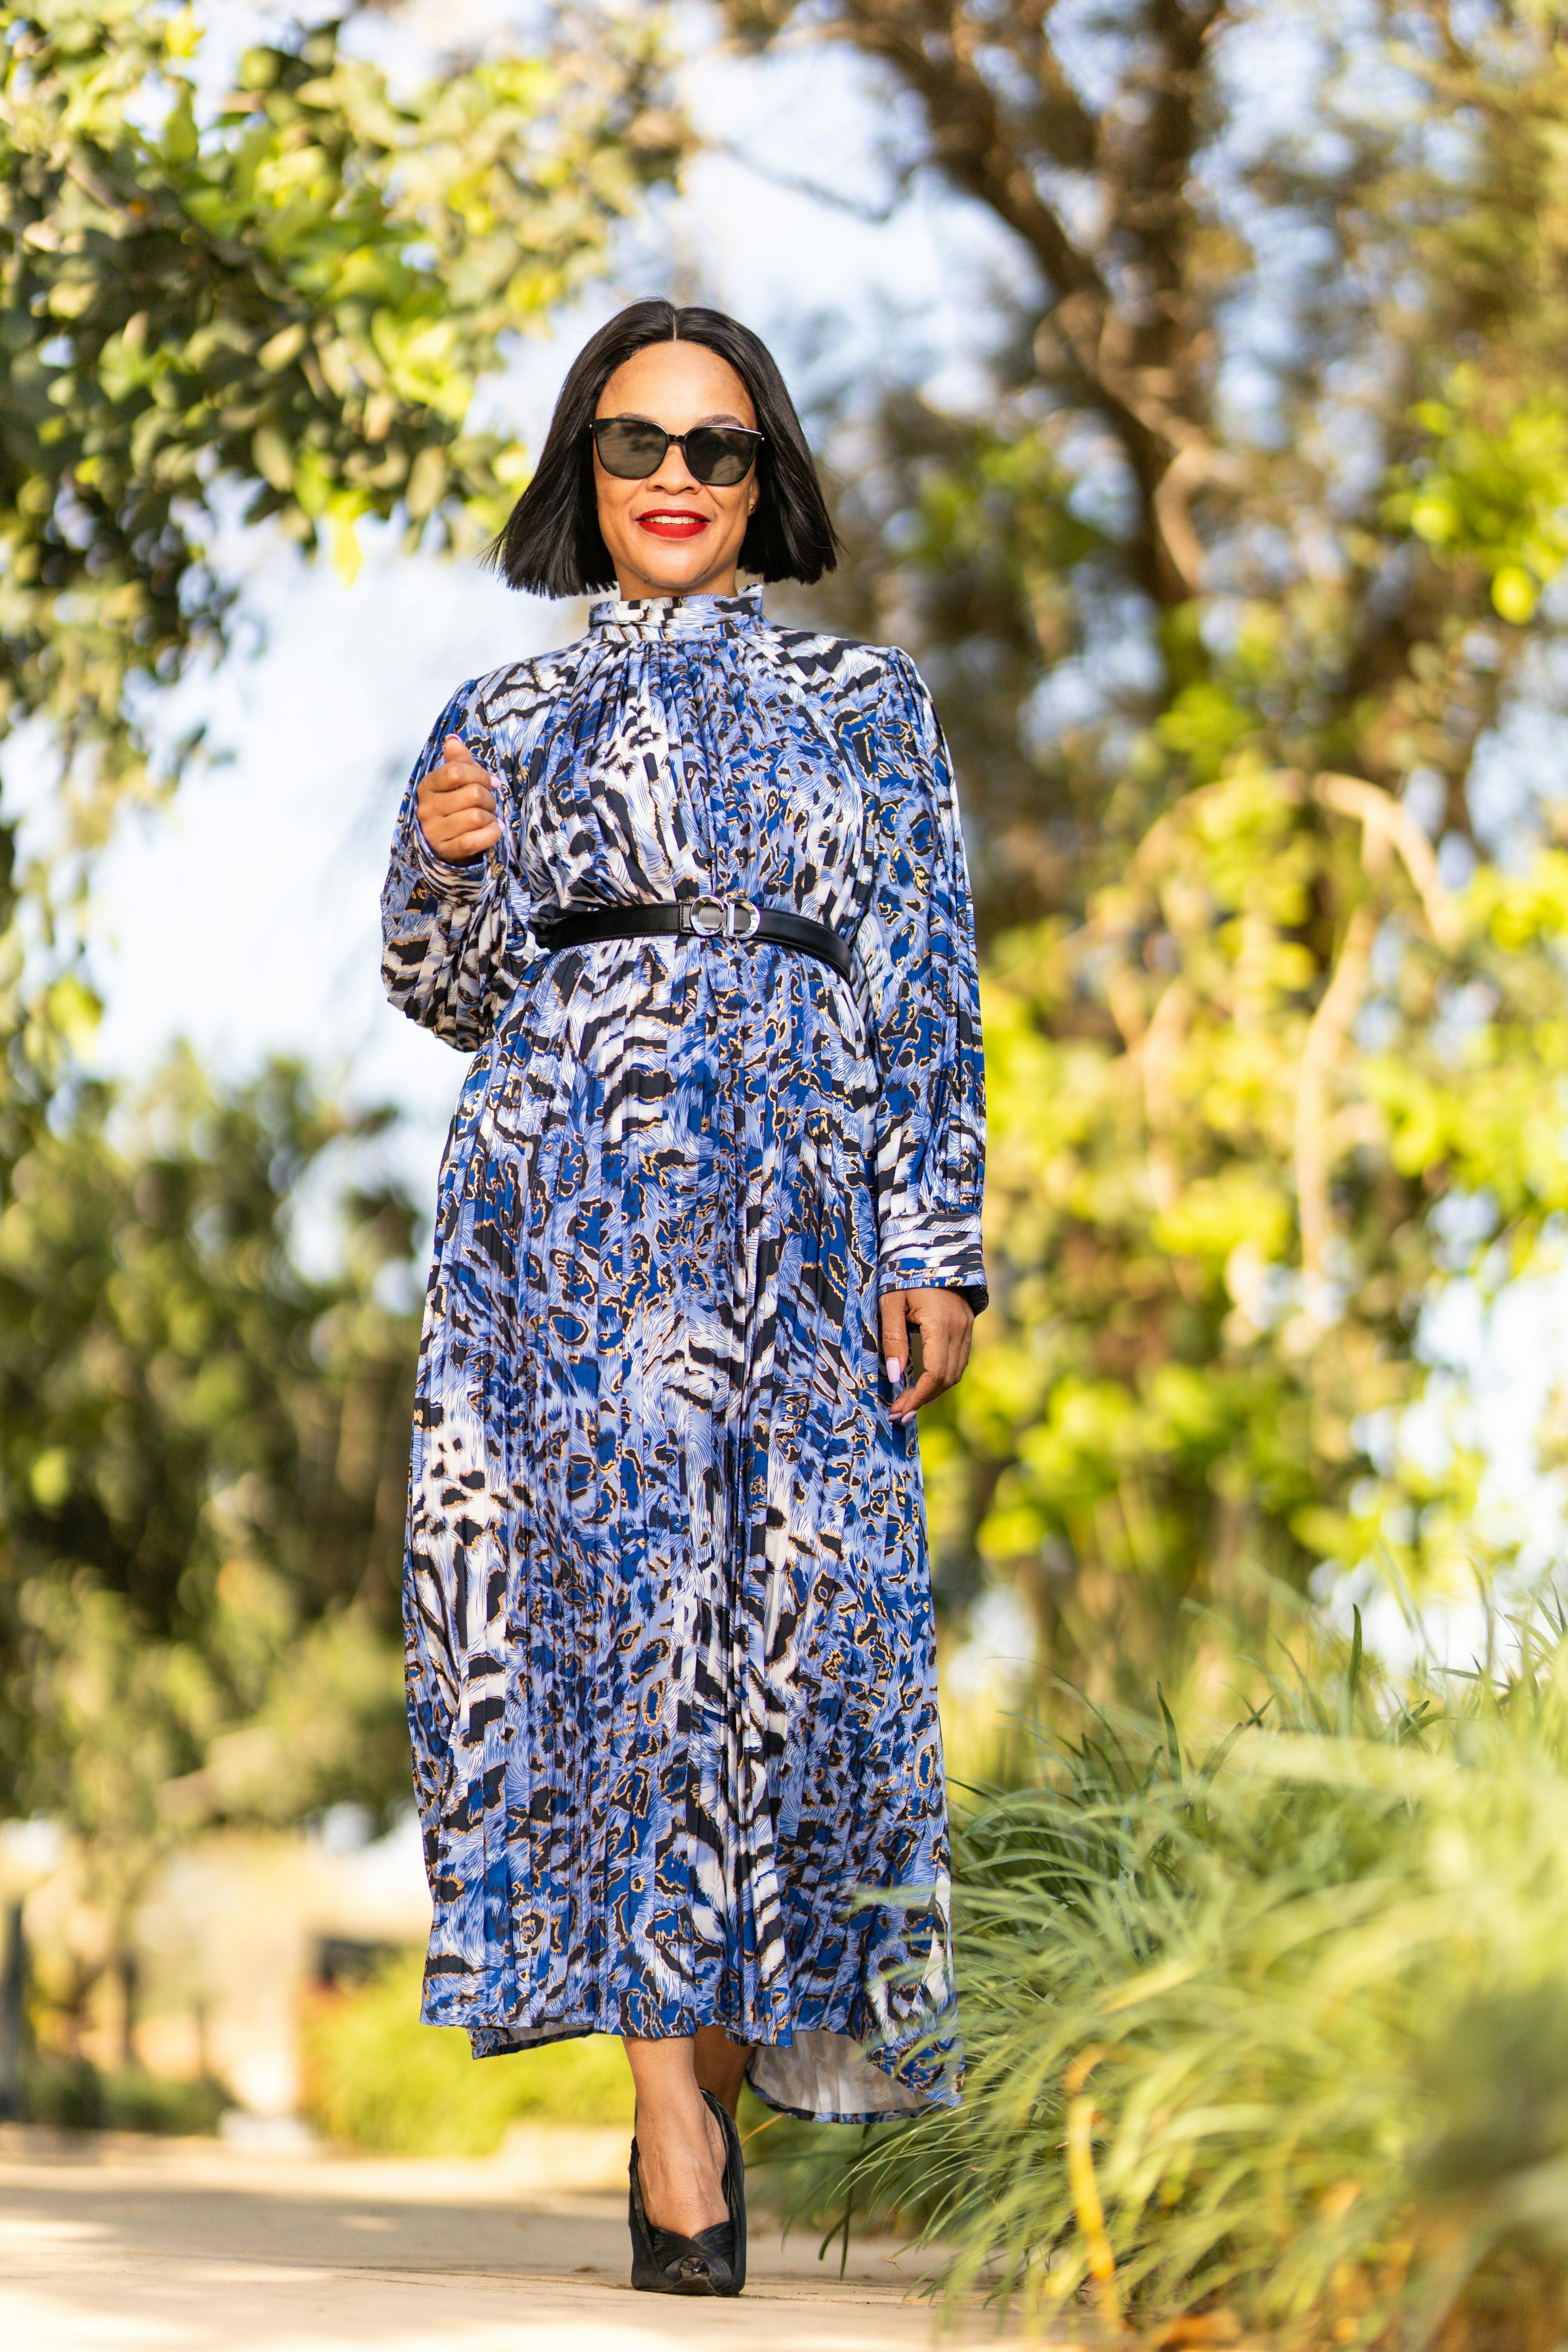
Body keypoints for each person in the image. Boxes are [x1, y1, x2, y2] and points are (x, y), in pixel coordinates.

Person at [381, 297, 986, 2297]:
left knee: (796, 1666)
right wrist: (452, 862)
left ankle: (708, 2080)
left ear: (765, 481)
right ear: (585, 472)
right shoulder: (503, 716)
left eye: (712, 450)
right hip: (568, 1219)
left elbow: (926, 991)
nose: (670, 481)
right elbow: (447, 996)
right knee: (629, 1650)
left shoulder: (869, 704)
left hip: (804, 1226)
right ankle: (669, 2133)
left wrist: (935, 1242)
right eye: (634, 445)